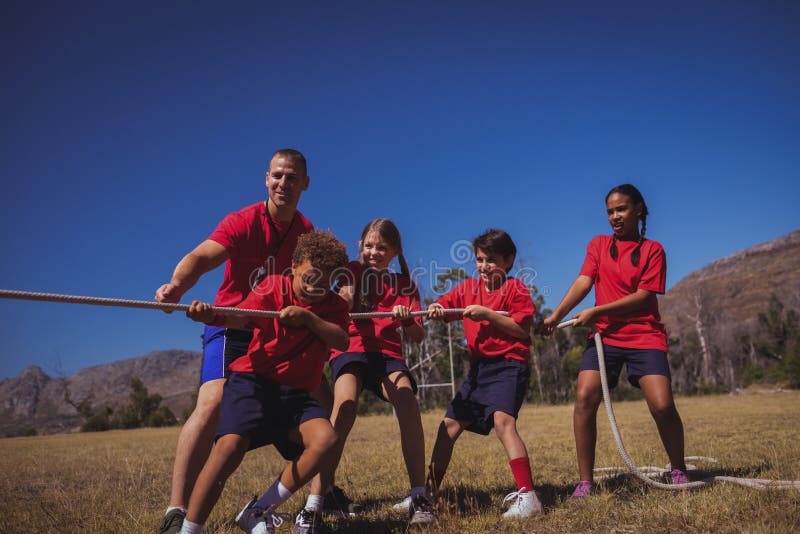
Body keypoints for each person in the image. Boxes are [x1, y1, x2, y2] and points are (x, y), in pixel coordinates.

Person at [156, 149, 314, 534]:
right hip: (229, 323)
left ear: (304, 184)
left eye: (292, 177)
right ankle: (176, 510)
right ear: (266, 179)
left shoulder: (305, 233)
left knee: (316, 405)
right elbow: (202, 256)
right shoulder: (243, 221)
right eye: (277, 176)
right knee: (211, 406)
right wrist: (178, 285)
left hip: (274, 333)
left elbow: (319, 280)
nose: (283, 183)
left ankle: (322, 495)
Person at [179, 230, 351, 534]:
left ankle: (257, 511)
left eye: (324, 284)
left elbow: (342, 338)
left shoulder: (334, 306)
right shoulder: (274, 286)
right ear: (294, 266)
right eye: (309, 278)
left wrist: (307, 318)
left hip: (297, 396)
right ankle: (188, 529)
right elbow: (239, 317)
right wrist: (209, 315)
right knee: (229, 448)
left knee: (326, 439)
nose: (315, 289)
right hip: (253, 384)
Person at [540, 183, 688, 499]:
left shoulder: (653, 250)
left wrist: (597, 310)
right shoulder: (598, 245)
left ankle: (678, 470)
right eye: (610, 211)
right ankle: (585, 482)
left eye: (621, 209)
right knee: (584, 397)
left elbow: (643, 296)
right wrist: (556, 315)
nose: (615, 216)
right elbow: (584, 281)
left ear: (638, 210)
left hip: (644, 335)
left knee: (662, 406)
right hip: (604, 338)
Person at [291, 219, 434, 533]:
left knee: (408, 404)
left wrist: (407, 320)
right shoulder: (350, 272)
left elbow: (418, 337)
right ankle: (314, 504)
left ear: (394, 251)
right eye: (369, 246)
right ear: (360, 246)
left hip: (387, 356)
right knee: (344, 408)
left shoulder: (405, 285)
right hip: (352, 350)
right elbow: (336, 308)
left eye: (382, 247)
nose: (374, 252)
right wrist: (348, 295)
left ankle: (419, 497)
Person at [424, 228, 543, 519]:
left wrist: (488, 314)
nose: (483, 266)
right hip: (479, 371)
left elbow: (522, 330)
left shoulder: (515, 289)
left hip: (509, 365)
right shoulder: (467, 289)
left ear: (508, 259)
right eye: (479, 259)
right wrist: (437, 308)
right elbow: (446, 306)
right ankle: (426, 495)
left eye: (490, 259)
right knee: (448, 427)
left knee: (503, 422)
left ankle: (529, 496)